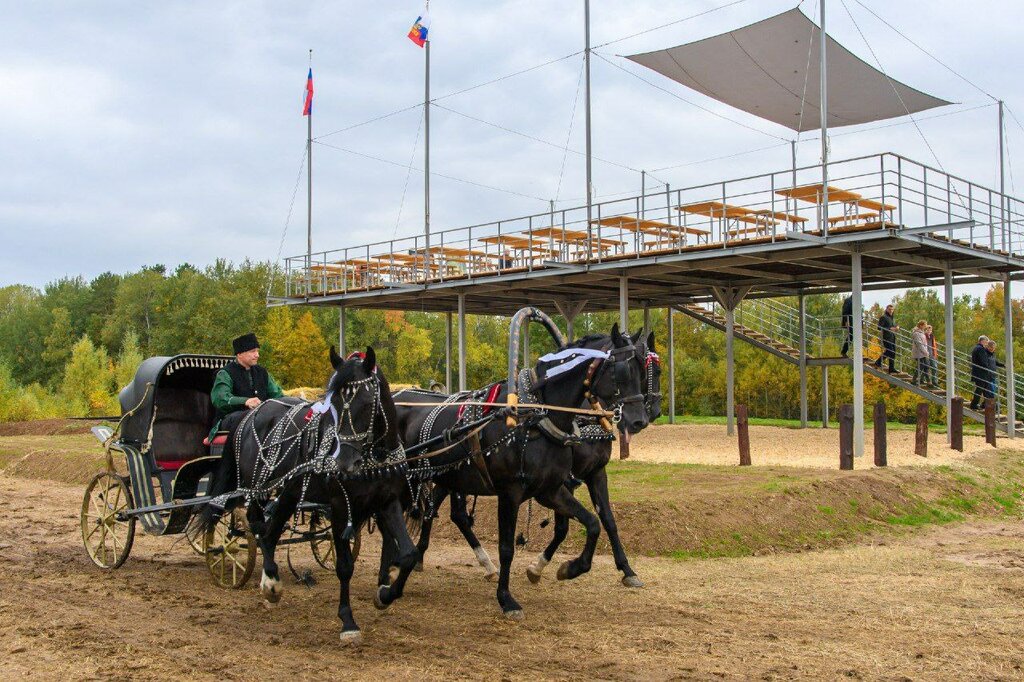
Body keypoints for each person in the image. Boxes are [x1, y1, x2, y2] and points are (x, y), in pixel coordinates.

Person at [209, 332, 285, 438]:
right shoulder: (225, 373)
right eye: (253, 351)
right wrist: (245, 401)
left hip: (260, 417)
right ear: (239, 354)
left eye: (257, 351)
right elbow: (219, 399)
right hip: (230, 419)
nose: (257, 355)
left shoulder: (262, 372)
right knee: (253, 418)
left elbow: (278, 396)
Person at [873, 304, 899, 373]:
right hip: (886, 337)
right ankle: (878, 362)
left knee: (893, 353)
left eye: (892, 309)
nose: (891, 311)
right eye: (890, 309)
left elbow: (892, 326)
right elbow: (879, 327)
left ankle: (891, 368)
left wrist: (896, 327)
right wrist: (890, 328)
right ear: (887, 309)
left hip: (892, 337)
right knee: (889, 351)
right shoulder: (883, 317)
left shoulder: (892, 317)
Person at [969, 335, 992, 410]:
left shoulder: (977, 348)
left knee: (986, 390)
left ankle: (985, 405)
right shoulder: (980, 349)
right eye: (986, 342)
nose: (987, 344)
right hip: (981, 374)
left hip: (979, 373)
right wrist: (988, 368)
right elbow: (983, 362)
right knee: (980, 390)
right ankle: (974, 405)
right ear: (983, 341)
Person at [910, 320, 929, 385]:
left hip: (923, 353)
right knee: (921, 365)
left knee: (925, 365)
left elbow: (924, 343)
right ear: (921, 325)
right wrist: (925, 352)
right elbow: (919, 344)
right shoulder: (916, 333)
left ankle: (924, 380)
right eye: (924, 325)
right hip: (918, 353)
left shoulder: (922, 332)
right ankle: (914, 380)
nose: (925, 327)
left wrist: (925, 351)